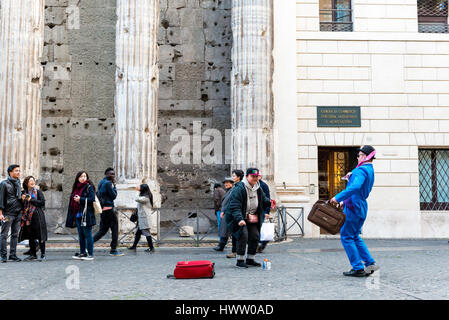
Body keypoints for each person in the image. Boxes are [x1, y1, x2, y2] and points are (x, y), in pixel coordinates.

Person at [330, 145, 379, 277]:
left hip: (353, 207)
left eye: (359, 155)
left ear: (364, 156)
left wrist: (337, 197)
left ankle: (357, 267)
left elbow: (356, 187)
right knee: (355, 236)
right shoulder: (369, 169)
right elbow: (358, 188)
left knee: (346, 236)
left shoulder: (360, 171)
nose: (358, 157)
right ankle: (370, 264)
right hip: (361, 205)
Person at [226, 168, 271, 268]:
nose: (255, 178)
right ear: (247, 177)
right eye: (252, 176)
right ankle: (240, 260)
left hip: (252, 217)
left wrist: (270, 202)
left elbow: (263, 199)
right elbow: (235, 205)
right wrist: (240, 219)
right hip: (239, 217)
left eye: (256, 176)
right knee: (243, 235)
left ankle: (250, 259)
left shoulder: (258, 187)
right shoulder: (239, 188)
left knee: (255, 236)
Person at [66, 171, 96, 261]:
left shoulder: (89, 187)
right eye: (81, 176)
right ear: (78, 178)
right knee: (81, 235)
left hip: (86, 214)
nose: (83, 178)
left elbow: (92, 199)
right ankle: (82, 252)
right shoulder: (76, 188)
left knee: (88, 234)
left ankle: (90, 254)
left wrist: (80, 199)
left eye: (85, 176)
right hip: (78, 214)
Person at [93, 168, 124, 256]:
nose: (113, 175)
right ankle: (113, 250)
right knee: (114, 230)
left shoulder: (101, 182)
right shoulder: (108, 183)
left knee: (102, 231)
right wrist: (114, 185)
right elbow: (114, 196)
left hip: (103, 210)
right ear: (106, 174)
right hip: (109, 209)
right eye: (111, 174)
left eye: (113, 174)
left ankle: (88, 244)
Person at [19, 176, 48, 261]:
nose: (32, 182)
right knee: (31, 236)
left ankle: (43, 254)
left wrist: (31, 200)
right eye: (30, 180)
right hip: (27, 217)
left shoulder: (38, 192)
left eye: (33, 180)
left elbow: (42, 203)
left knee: (40, 236)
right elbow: (21, 205)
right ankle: (33, 254)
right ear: (26, 183)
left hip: (38, 216)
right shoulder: (23, 193)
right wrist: (22, 200)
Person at [0, 164, 24, 263]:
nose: (18, 172)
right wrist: (0, 213)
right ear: (10, 172)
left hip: (18, 213)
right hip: (7, 214)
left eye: (19, 170)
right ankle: (3, 255)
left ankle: (13, 255)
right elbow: (0, 199)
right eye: (16, 170)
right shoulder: (4, 184)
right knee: (4, 235)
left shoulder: (19, 183)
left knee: (15, 234)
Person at [128, 184, 155, 253]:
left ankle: (151, 248)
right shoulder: (144, 196)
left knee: (146, 233)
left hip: (144, 218)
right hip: (141, 218)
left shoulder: (146, 198)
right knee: (138, 233)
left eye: (140, 187)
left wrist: (137, 191)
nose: (138, 188)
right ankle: (134, 246)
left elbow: (136, 199)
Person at [224, 169, 244, 258]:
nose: (233, 177)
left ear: (238, 177)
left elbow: (235, 202)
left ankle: (237, 252)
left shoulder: (239, 187)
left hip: (237, 214)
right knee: (235, 234)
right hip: (233, 213)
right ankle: (235, 251)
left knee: (237, 234)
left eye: (234, 176)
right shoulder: (236, 186)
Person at [213, 177, 234, 252]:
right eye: (225, 183)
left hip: (228, 213)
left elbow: (218, 200)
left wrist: (221, 209)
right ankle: (221, 245)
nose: (226, 184)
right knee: (224, 230)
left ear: (232, 183)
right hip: (225, 212)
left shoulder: (232, 191)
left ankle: (222, 245)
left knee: (226, 230)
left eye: (228, 182)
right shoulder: (227, 191)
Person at [257, 175, 271, 253]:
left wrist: (267, 211)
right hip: (254, 210)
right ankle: (259, 244)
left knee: (258, 228)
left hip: (261, 210)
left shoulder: (263, 185)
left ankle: (261, 243)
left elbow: (268, 198)